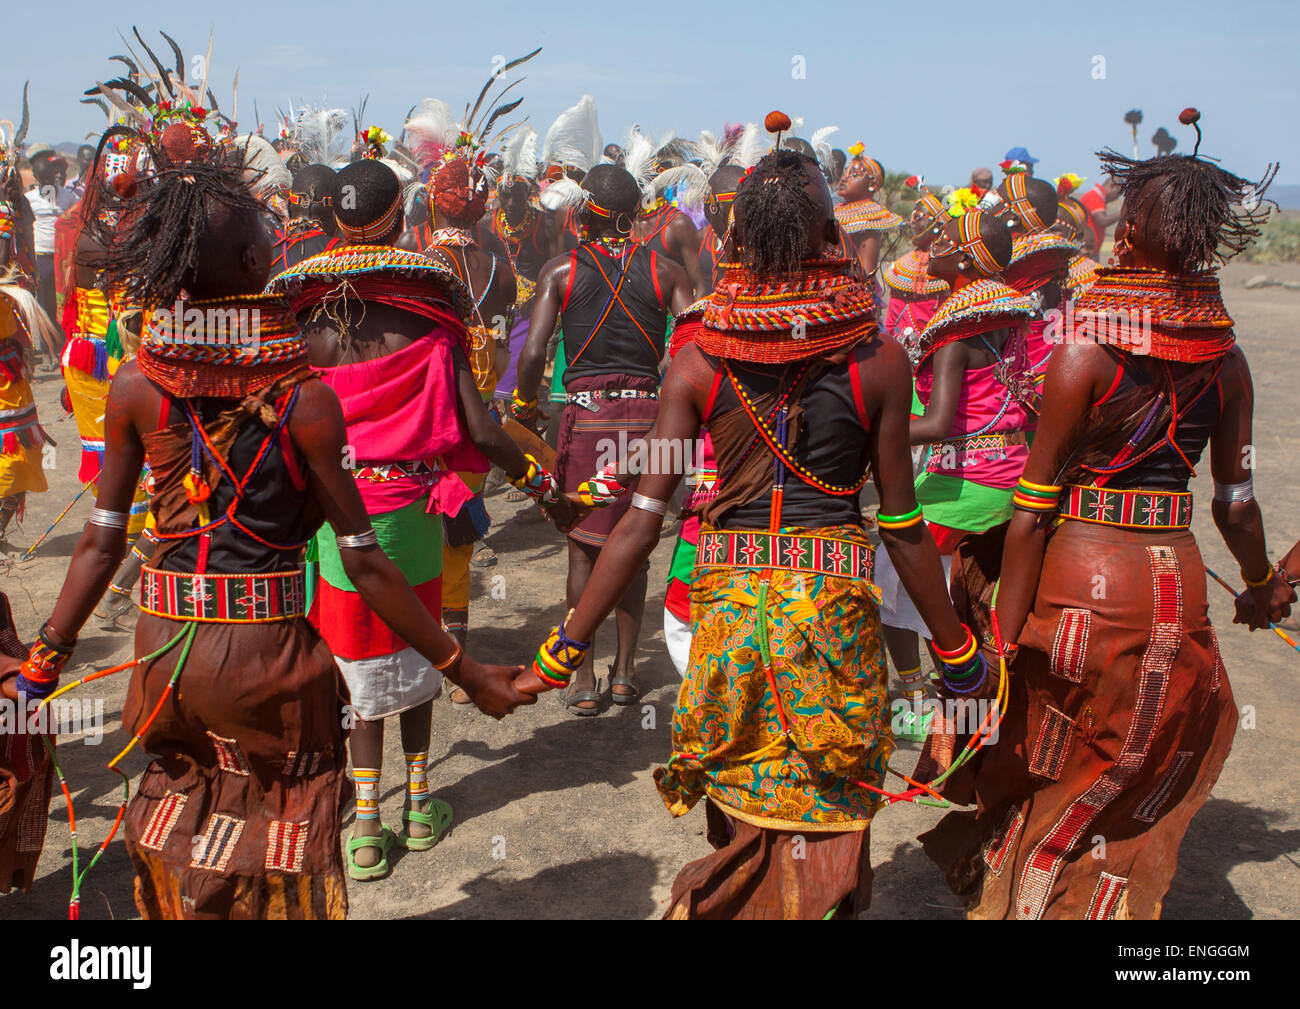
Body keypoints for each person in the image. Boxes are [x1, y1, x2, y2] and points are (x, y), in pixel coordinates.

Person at [10, 123, 532, 920]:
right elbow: (362, 561)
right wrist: (466, 670)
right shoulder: (304, 399)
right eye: (264, 235)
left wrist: (45, 659)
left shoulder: (135, 386)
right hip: (272, 666)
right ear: (257, 265)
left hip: (164, 660)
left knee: (183, 830)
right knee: (282, 849)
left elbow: (100, 538)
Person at [517, 137, 984, 918]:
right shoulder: (877, 360)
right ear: (830, 236)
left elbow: (640, 520)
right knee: (830, 819)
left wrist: (563, 647)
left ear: (735, 240)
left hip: (728, 617)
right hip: (833, 617)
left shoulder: (698, 357)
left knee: (743, 816)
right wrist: (959, 655)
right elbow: (901, 526)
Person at [918, 111, 1293, 919]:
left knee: (1051, 751)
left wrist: (1002, 642)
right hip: (1175, 584)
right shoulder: (1225, 356)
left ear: (1129, 237)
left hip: (1080, 580)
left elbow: (1031, 507)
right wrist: (1261, 583)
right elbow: (1235, 501)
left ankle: (1023, 891)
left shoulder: (1085, 346)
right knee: (1130, 759)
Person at [270, 155, 558, 880]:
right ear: (401, 218)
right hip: (414, 511)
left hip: (337, 517)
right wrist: (540, 479)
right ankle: (420, 805)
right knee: (422, 644)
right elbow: (483, 429)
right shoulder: (431, 309)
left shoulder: (303, 315)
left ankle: (365, 826)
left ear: (335, 219)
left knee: (357, 664)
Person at [514, 164, 691, 714]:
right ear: (633, 214)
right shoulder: (665, 271)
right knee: (633, 545)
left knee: (583, 550)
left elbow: (535, 352)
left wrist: (523, 408)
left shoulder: (560, 271)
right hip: (650, 424)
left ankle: (582, 675)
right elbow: (692, 343)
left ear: (584, 212)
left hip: (585, 420)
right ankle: (625, 673)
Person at [875, 201, 1035, 738]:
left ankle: (921, 700)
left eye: (943, 241)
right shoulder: (1005, 315)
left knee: (892, 569)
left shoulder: (955, 334)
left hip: (965, 484)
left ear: (964, 259)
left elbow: (941, 422)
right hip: (1013, 477)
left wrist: (871, 433)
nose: (931, 247)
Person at [398, 94, 522, 702]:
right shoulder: (498, 265)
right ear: (479, 207)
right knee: (457, 538)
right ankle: (455, 661)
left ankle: (409, 646)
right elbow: (502, 330)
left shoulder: (418, 263)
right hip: (477, 419)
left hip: (424, 416)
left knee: (407, 526)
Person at [991, 172, 1077, 383]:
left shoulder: (1019, 270)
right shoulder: (1043, 263)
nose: (989, 204)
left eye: (997, 200)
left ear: (1013, 218)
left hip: (1028, 382)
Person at [833, 143, 901, 278]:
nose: (844, 178)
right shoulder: (835, 210)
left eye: (854, 174)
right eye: (845, 172)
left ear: (872, 184)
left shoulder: (869, 223)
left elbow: (867, 276)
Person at [1078, 174, 1122, 252]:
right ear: (1113, 186)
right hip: (1087, 250)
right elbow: (1102, 221)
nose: (1116, 198)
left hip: (1091, 249)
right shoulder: (1095, 196)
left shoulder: (1098, 196)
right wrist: (1123, 212)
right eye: (1118, 194)